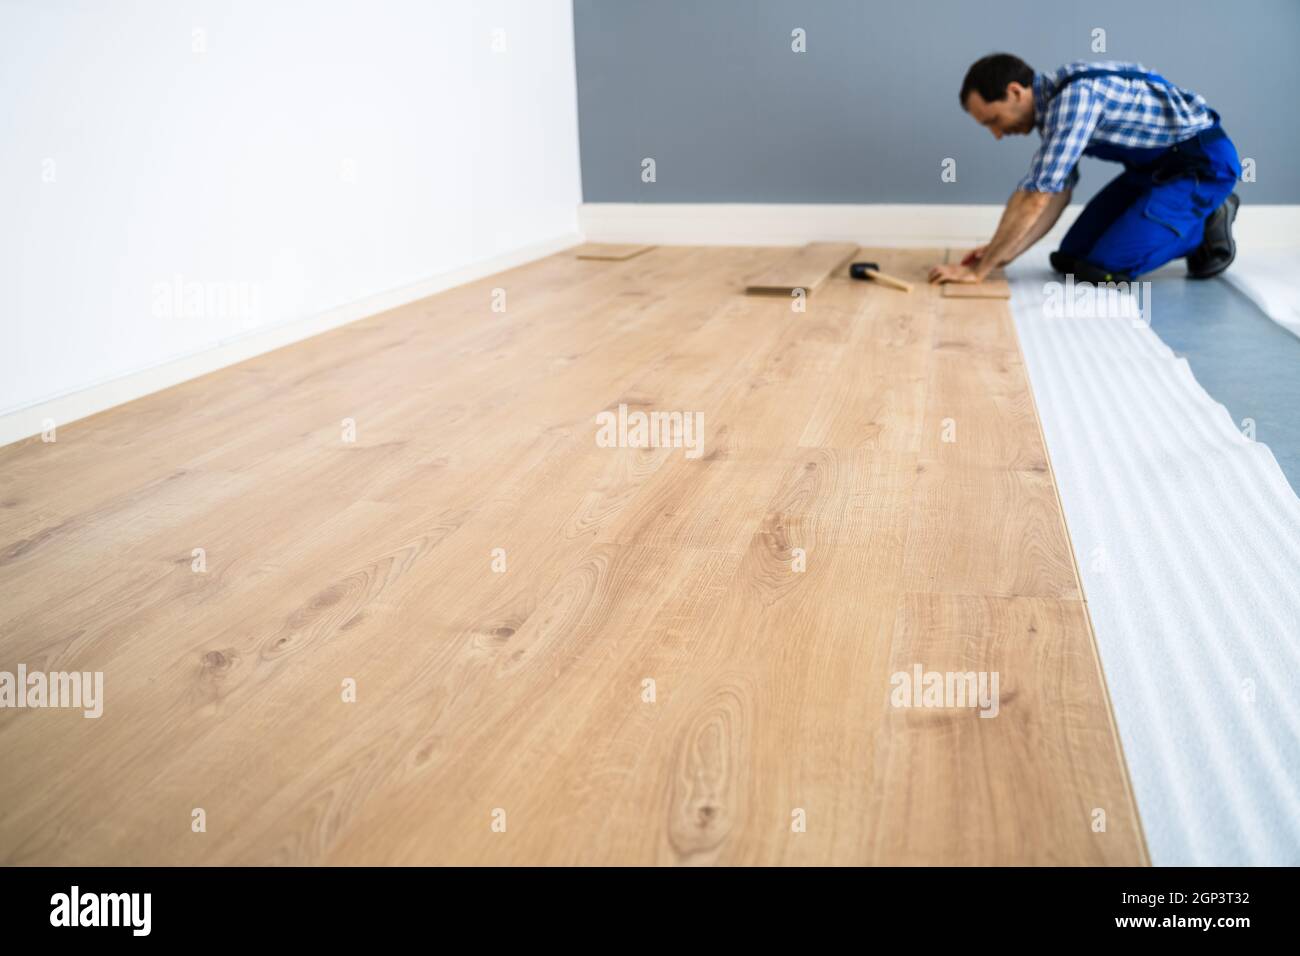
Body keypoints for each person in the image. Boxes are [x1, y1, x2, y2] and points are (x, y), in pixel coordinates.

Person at [929, 53, 1240, 286]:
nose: (997, 134)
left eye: (993, 121)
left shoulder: (1073, 100)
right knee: (1069, 258)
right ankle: (1184, 214)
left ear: (1014, 92)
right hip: (1151, 172)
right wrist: (1004, 253)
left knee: (1103, 270)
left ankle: (1206, 222)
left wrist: (977, 271)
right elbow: (1056, 195)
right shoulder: (1053, 111)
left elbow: (1035, 197)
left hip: (1201, 167)